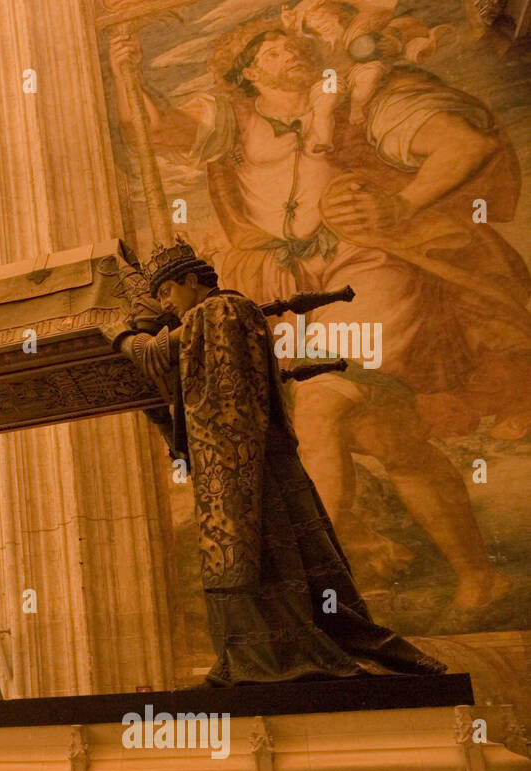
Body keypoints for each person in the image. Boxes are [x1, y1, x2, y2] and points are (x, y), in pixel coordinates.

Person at [110, 18, 528, 610]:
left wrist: (399, 203)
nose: (287, 51)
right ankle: (480, 575)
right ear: (248, 73)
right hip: (289, 286)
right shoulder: (237, 121)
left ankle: (312, 595)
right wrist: (131, 71)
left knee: (326, 405)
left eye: (290, 42)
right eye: (268, 49)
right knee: (389, 435)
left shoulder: (361, 101)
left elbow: (469, 145)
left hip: (367, 270)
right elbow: (155, 130)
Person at [119, 241, 444, 684]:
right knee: (281, 558)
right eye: (158, 299)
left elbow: (152, 356)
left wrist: (119, 335)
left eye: (167, 293)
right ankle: (264, 655)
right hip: (247, 458)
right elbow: (170, 373)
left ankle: (291, 657)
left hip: (245, 462)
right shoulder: (216, 316)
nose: (167, 305)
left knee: (274, 557)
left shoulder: (219, 312)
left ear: (192, 282)